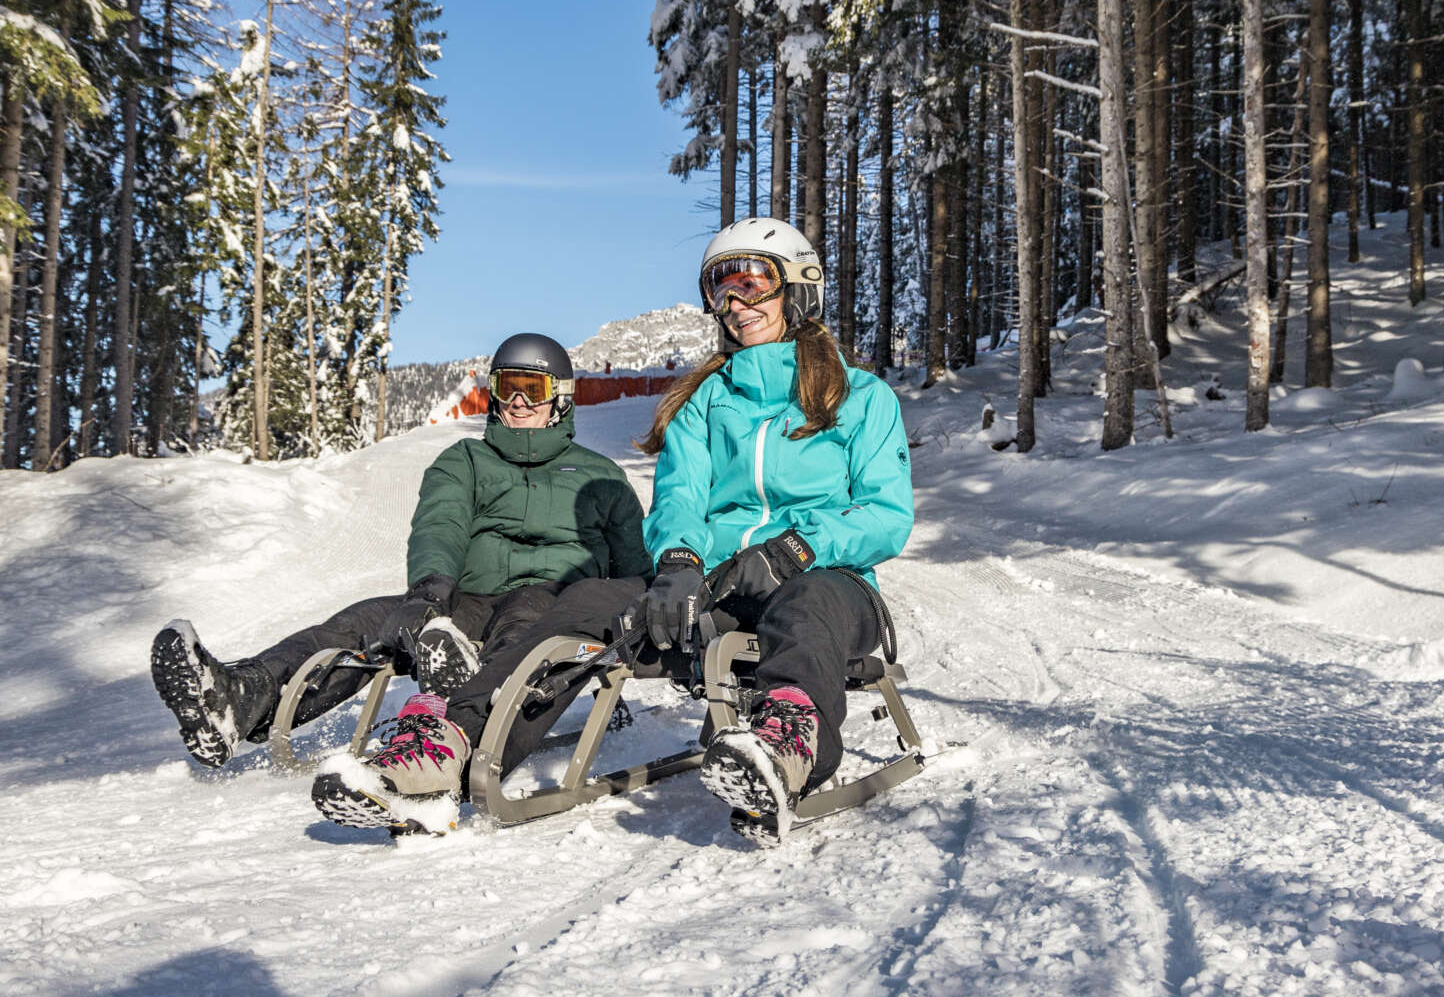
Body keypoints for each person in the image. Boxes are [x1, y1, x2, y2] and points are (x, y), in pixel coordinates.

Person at [147, 333, 650, 829]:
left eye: (532, 390)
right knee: (368, 619)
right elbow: (441, 524)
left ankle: (451, 740)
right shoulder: (466, 461)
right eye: (506, 387)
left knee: (523, 627)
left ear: (559, 399)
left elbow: (633, 569)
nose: (517, 402)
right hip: (467, 596)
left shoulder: (600, 476)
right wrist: (428, 593)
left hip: (550, 600)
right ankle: (239, 697)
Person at [636, 216, 914, 844]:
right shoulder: (704, 403)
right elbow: (680, 496)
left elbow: (885, 514)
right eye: (720, 290)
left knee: (806, 603)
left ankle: (789, 741)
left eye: (753, 284)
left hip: (831, 585)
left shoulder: (861, 397)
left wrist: (795, 549)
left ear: (798, 289)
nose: (736, 305)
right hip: (724, 584)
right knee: (609, 602)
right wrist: (679, 560)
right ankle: (455, 728)